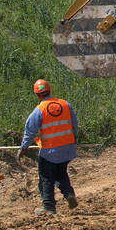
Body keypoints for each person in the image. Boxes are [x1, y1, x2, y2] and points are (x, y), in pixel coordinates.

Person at [18, 79, 78, 215]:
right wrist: (72, 140)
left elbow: (30, 132)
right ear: (49, 90)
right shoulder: (65, 104)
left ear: (37, 94)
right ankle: (69, 194)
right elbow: (74, 125)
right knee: (61, 173)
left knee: (46, 178)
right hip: (66, 149)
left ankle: (48, 207)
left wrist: (23, 149)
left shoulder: (39, 111)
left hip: (49, 151)